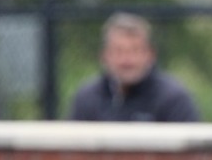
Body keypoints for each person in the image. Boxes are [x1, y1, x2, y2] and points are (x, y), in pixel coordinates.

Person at [68, 12, 201, 122]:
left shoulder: (173, 99)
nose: (126, 60)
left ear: (150, 54)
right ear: (104, 56)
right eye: (118, 51)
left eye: (134, 51)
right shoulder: (87, 98)